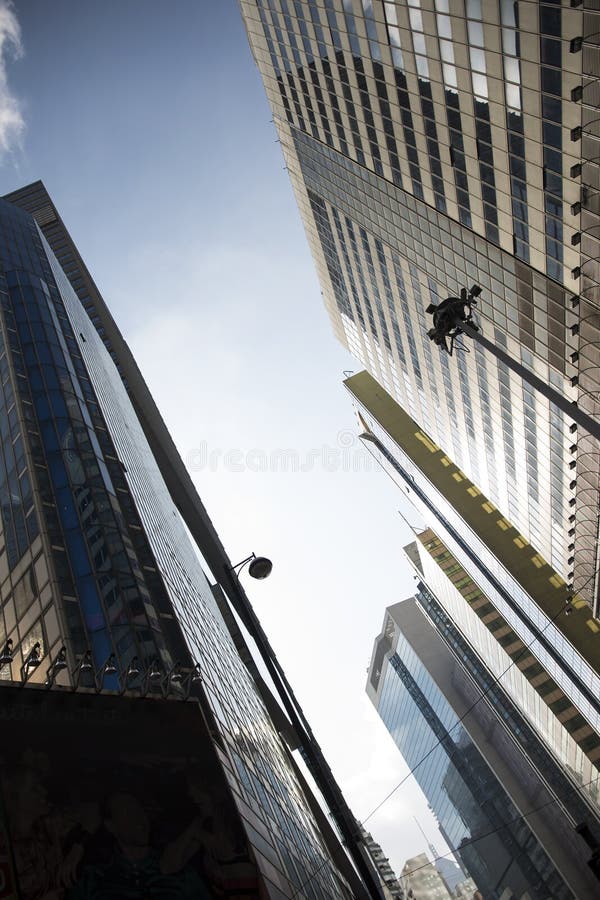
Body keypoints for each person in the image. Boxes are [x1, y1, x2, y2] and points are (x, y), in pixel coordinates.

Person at [66, 791, 213, 900]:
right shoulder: (94, 877)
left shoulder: (180, 872)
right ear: (111, 825)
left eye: (139, 810)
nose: (139, 818)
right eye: (127, 812)